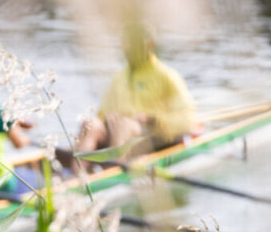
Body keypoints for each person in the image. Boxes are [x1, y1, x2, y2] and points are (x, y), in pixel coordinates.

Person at [75, 24, 196, 161]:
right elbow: (101, 115)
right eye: (125, 43)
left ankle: (114, 173)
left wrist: (151, 118)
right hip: (118, 133)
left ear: (150, 44)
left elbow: (186, 122)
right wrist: (109, 117)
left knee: (123, 126)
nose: (127, 49)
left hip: (151, 136)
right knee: (90, 124)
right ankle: (76, 173)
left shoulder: (167, 76)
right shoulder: (119, 78)